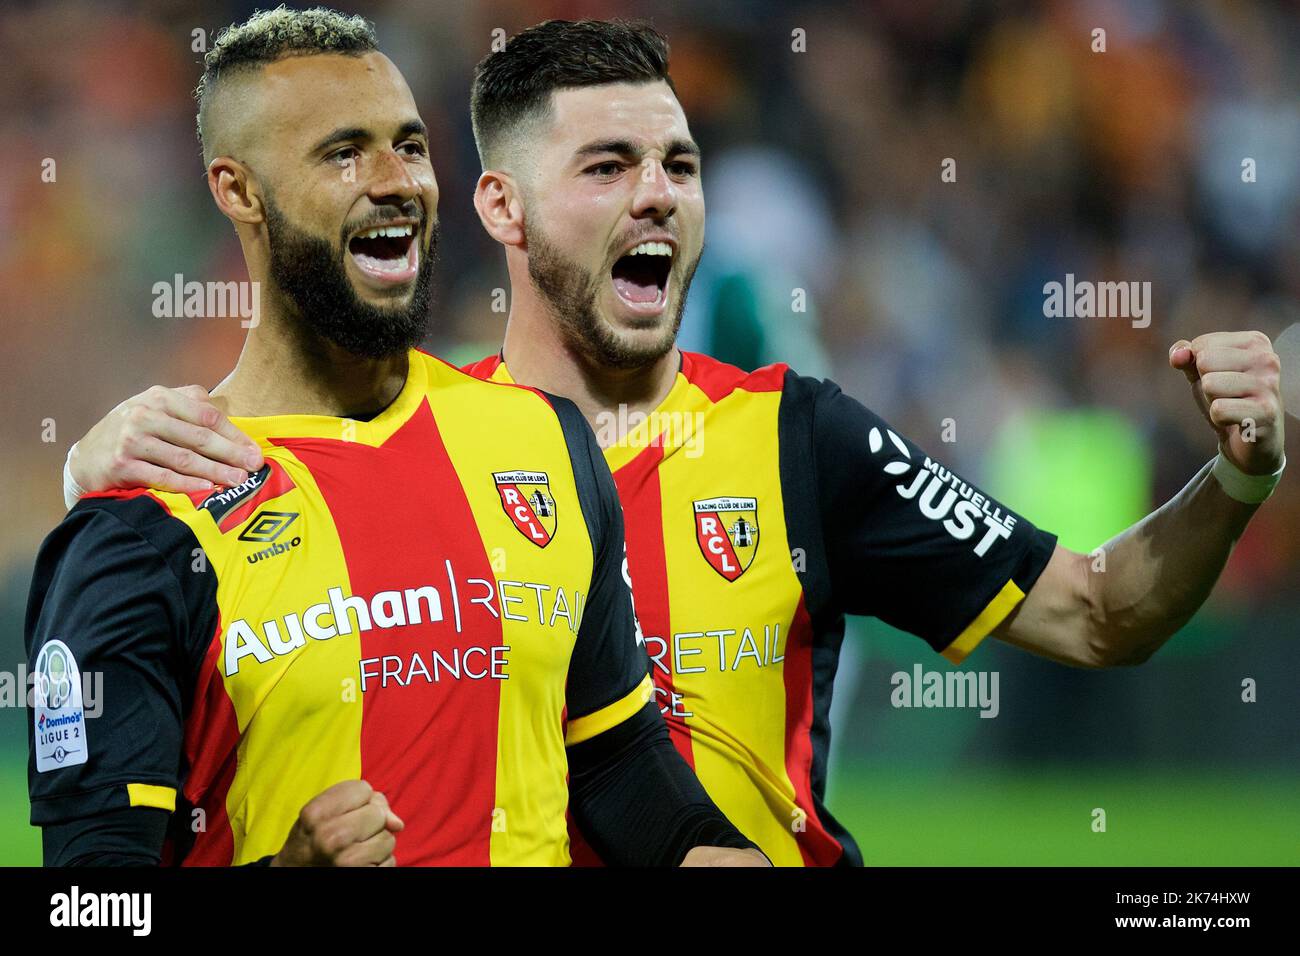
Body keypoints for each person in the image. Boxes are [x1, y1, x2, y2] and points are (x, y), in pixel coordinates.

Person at [65, 19, 1287, 866]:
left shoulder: (797, 438)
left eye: (681, 165)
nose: (658, 194)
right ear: (504, 205)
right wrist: (103, 493)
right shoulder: (413, 451)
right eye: (608, 165)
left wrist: (1237, 474)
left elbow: (1100, 610)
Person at [28, 9, 767, 868]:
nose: (397, 182)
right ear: (238, 190)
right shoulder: (141, 528)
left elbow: (615, 760)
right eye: (344, 153)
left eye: (410, 146)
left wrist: (707, 848)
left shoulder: (546, 443)